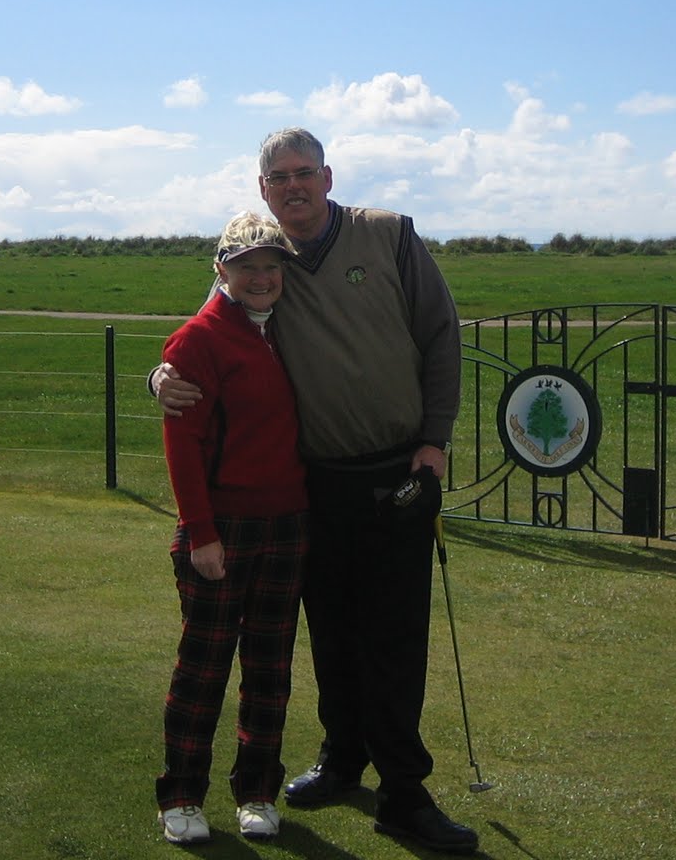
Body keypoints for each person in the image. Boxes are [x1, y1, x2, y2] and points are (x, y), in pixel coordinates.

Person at [153, 128, 477, 853]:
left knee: (393, 640)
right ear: (263, 188)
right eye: (280, 177)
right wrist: (161, 378)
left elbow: (441, 333)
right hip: (315, 487)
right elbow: (207, 330)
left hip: (398, 471)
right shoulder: (262, 255)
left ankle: (403, 793)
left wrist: (435, 438)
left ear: (328, 177)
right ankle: (341, 758)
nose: (294, 186)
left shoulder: (389, 235)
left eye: (306, 173)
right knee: (329, 633)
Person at [154, 212, 310, 846]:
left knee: (270, 667)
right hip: (223, 526)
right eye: (248, 267)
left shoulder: (291, 327)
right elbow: (182, 448)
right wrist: (201, 533)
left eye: (272, 266)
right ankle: (182, 794)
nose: (263, 278)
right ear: (222, 271)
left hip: (290, 522)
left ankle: (256, 790)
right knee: (205, 667)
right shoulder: (198, 339)